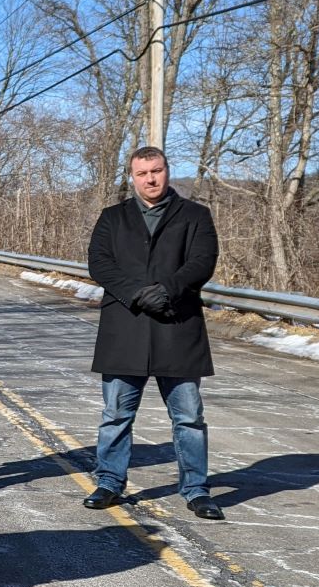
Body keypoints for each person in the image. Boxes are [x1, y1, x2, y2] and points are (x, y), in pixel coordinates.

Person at [83, 145, 224, 520]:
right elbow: (99, 263)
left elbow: (201, 261)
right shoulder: (112, 217)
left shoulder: (195, 215)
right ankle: (109, 482)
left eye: (157, 171)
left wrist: (166, 291)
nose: (151, 179)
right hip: (124, 329)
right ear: (132, 176)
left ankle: (196, 489)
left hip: (177, 327)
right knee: (115, 414)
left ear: (167, 171)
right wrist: (136, 294)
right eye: (143, 173)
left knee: (189, 416)